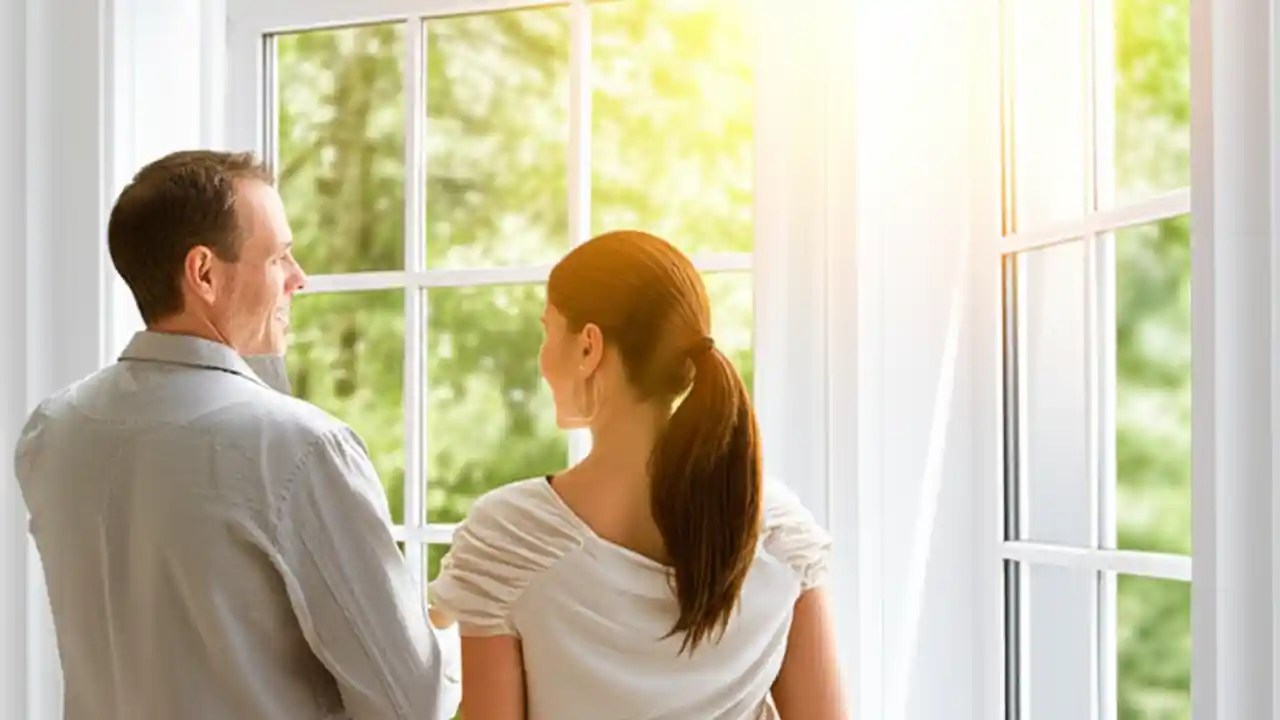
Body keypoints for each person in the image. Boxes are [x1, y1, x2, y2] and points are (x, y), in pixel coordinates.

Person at [14, 150, 459, 719]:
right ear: (203, 273)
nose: (300, 279)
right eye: (279, 257)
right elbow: (410, 701)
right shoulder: (298, 447)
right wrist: (449, 621)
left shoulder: (52, 432)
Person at [430, 230, 847, 719]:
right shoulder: (779, 535)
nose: (543, 359)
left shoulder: (510, 540)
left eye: (548, 330)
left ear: (588, 347)